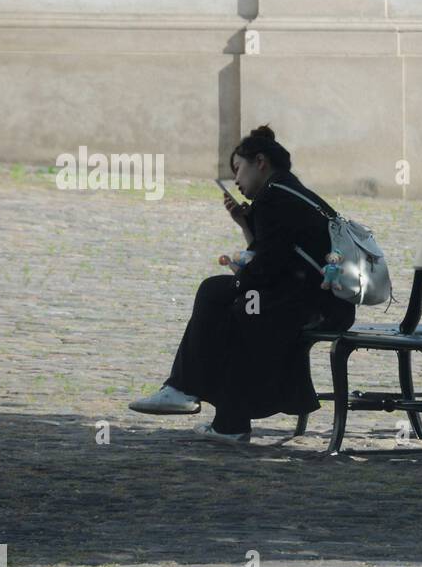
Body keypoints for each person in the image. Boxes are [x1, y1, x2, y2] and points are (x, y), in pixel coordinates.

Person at [129, 125, 356, 442]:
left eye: (239, 169)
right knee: (235, 307)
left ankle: (185, 391)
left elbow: (267, 267)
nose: (236, 180)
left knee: (224, 299)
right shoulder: (286, 191)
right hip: (321, 299)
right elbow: (274, 256)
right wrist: (245, 228)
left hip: (314, 302)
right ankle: (223, 418)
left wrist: (241, 275)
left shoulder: (274, 198)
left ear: (260, 162)